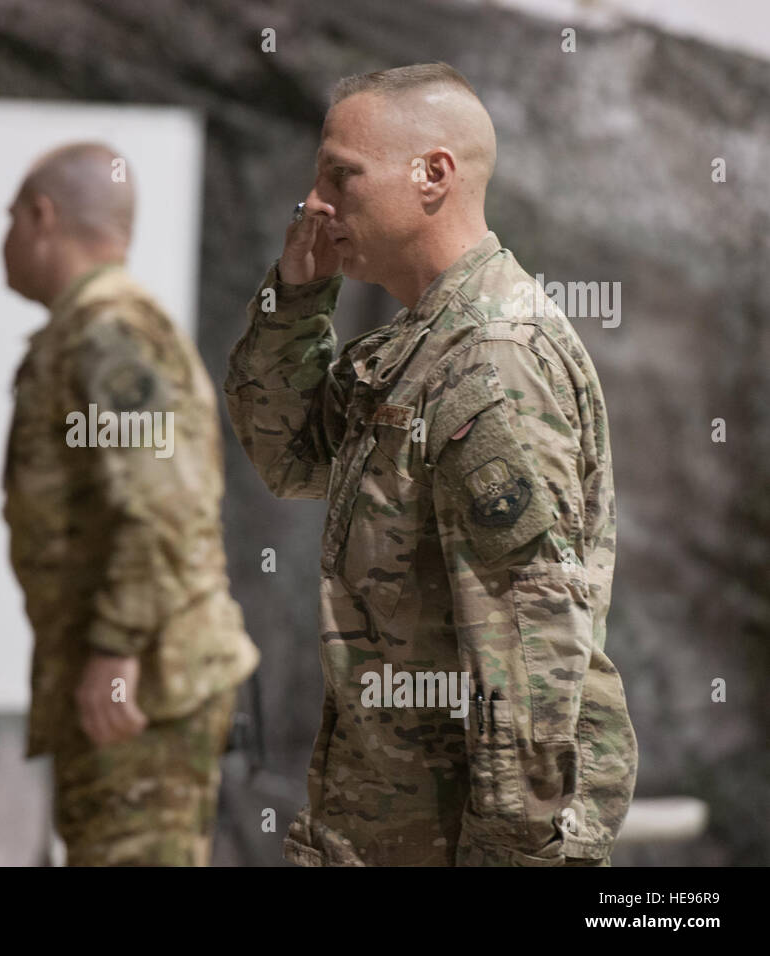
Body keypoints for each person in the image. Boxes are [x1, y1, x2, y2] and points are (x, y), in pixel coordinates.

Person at [225, 62, 638, 866]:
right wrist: (295, 301)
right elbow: (291, 454)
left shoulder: (490, 367)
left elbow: (531, 658)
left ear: (433, 177)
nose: (316, 204)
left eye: (342, 176)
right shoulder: (423, 350)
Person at [1, 142, 259, 866]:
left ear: (41, 217)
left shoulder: (110, 333)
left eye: (10, 220)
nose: (5, 240)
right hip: (137, 679)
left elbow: (159, 504)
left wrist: (114, 652)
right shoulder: (95, 329)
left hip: (145, 685)